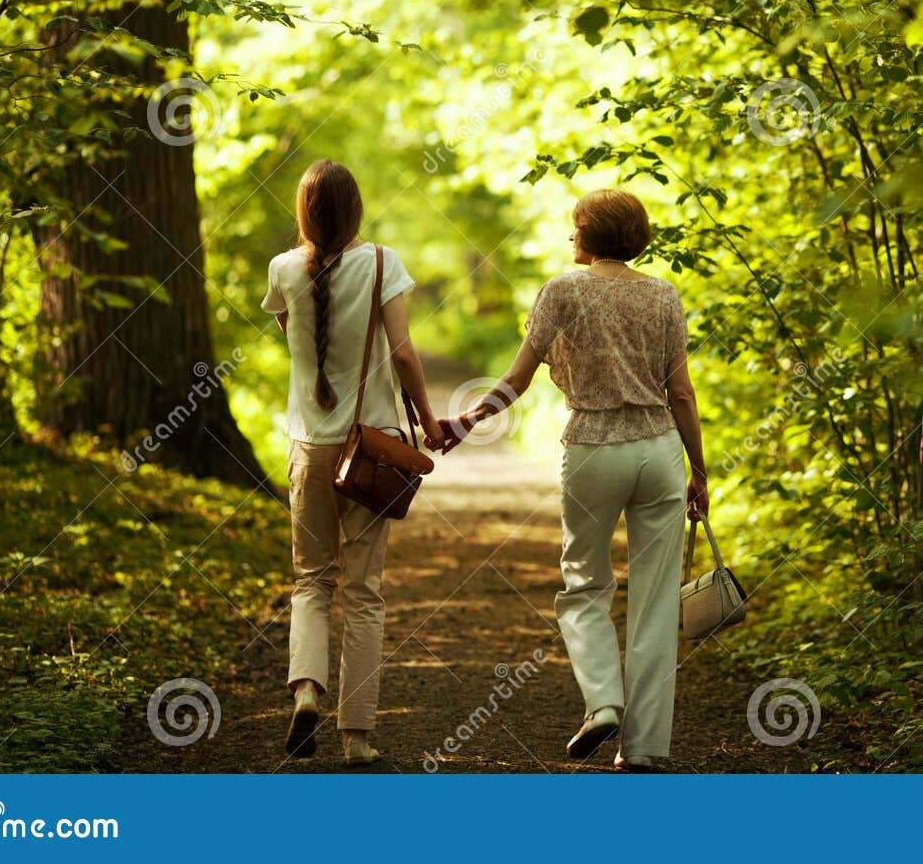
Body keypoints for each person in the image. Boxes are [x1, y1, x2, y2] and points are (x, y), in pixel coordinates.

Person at [440, 187, 708, 772]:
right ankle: (644, 748)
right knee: (656, 599)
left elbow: (518, 378)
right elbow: (680, 392)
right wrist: (700, 470)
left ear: (588, 236)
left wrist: (467, 419)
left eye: (575, 228)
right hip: (660, 451)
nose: (571, 238)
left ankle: (604, 703)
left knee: (586, 584)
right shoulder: (663, 295)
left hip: (592, 448)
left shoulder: (562, 289)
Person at [261, 159, 445, 766]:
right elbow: (404, 354)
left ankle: (307, 691)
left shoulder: (283, 269)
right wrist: (427, 418)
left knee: (311, 581)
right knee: (365, 591)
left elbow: (294, 335)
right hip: (370, 451)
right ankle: (357, 736)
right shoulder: (383, 263)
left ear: (304, 212)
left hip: (308, 448)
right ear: (356, 209)